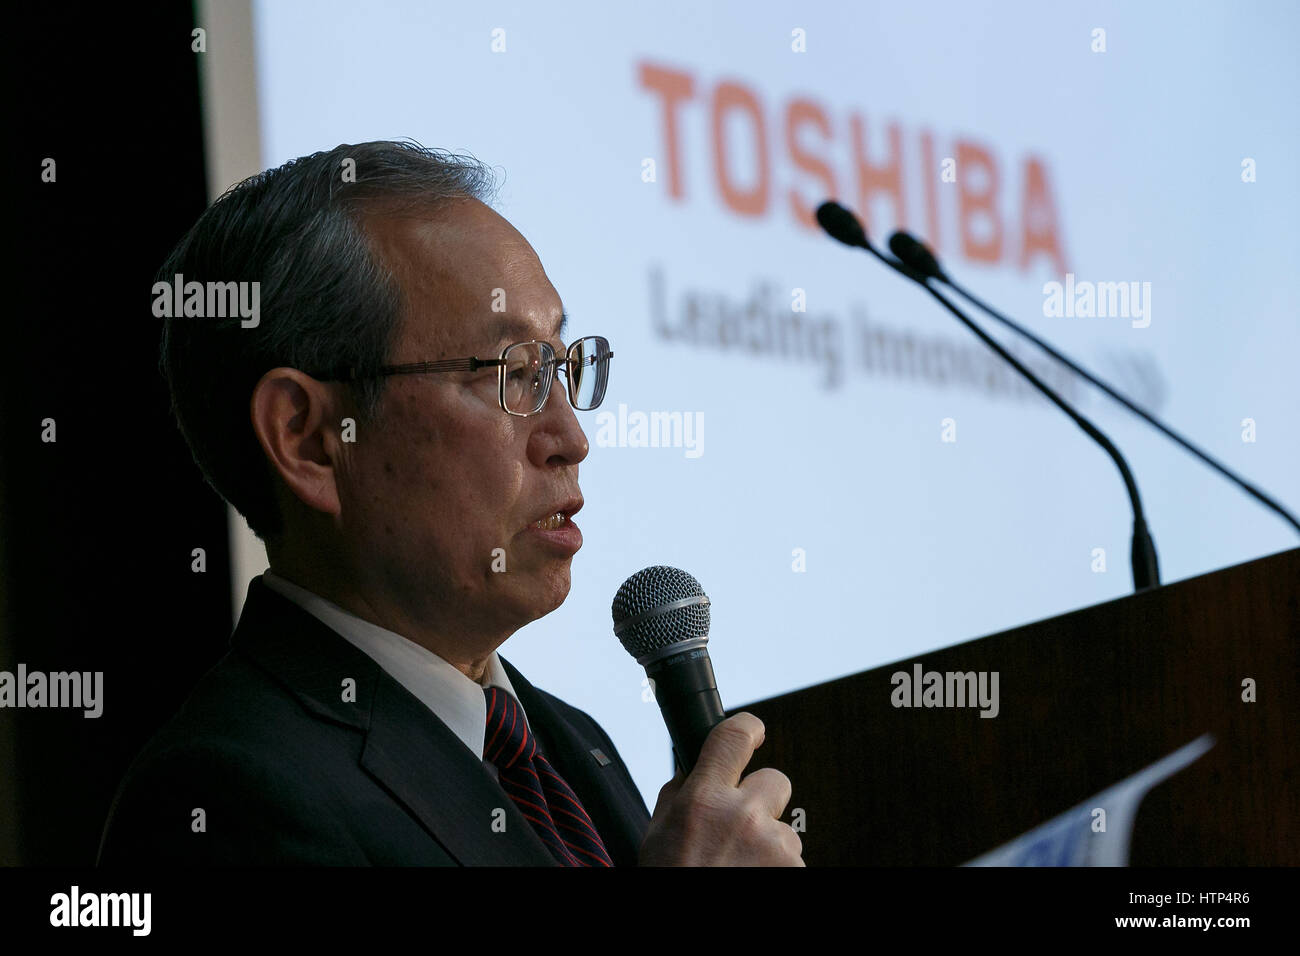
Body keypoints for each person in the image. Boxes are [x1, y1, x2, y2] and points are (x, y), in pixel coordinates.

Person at [98, 140, 802, 866]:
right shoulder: (224, 795)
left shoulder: (571, 743)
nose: (571, 436)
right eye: (514, 372)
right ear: (308, 439)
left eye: (562, 367)